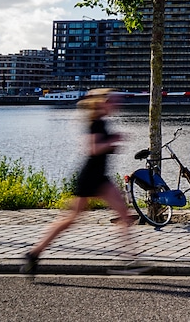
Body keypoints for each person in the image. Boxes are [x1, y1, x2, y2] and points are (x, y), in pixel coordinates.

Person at [21, 88, 139, 276]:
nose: (118, 105)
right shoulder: (95, 123)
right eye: (115, 101)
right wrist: (114, 141)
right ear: (104, 102)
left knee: (124, 215)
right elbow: (92, 148)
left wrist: (112, 142)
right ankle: (34, 252)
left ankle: (130, 260)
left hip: (100, 177)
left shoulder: (101, 122)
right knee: (71, 219)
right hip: (91, 178)